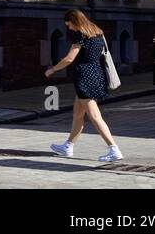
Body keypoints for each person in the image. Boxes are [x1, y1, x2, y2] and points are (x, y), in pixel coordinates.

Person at [46, 8, 123, 162]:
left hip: (85, 79)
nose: (69, 28)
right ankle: (68, 146)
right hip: (96, 75)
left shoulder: (80, 35)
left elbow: (69, 59)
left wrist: (52, 69)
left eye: (69, 25)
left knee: (94, 116)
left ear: (75, 21)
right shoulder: (97, 31)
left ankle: (114, 149)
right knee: (78, 114)